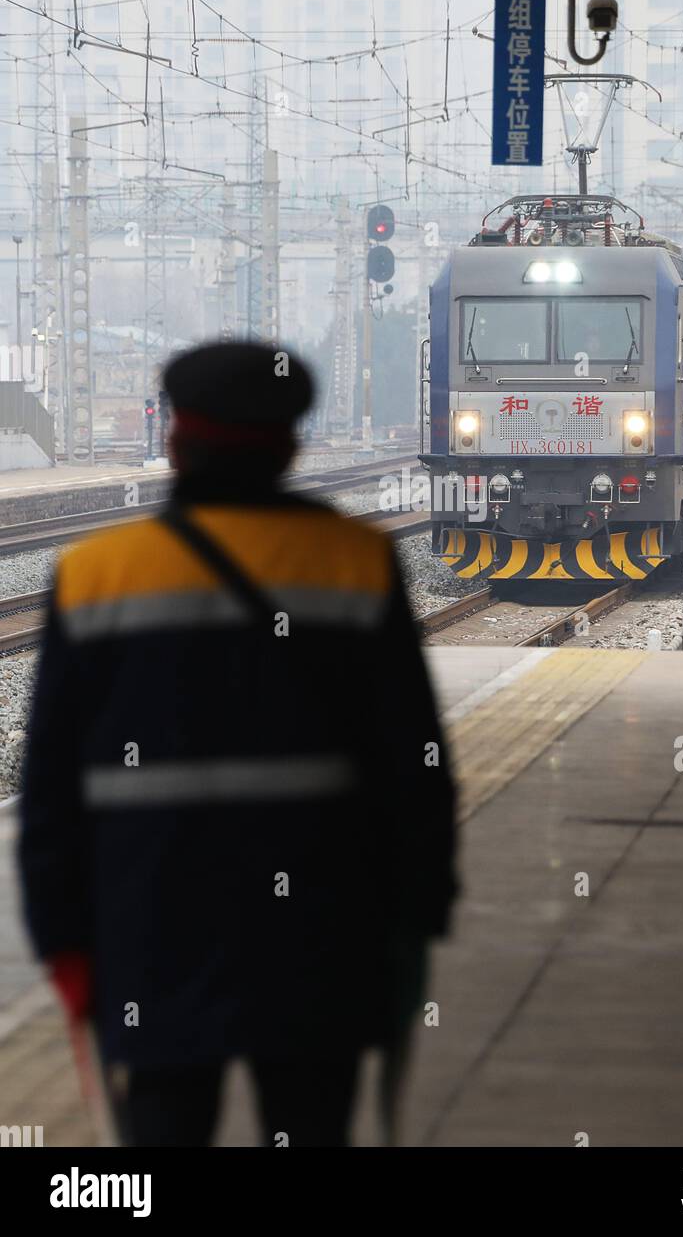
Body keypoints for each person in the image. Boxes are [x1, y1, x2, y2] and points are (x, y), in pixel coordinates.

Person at [18, 342, 458, 1147]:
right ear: (293, 445)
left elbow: (50, 796)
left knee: (161, 1132)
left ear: (175, 440)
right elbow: (415, 768)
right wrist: (418, 912)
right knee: (310, 1126)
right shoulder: (355, 564)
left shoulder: (98, 573)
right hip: (322, 934)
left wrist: (64, 942)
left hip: (150, 932)